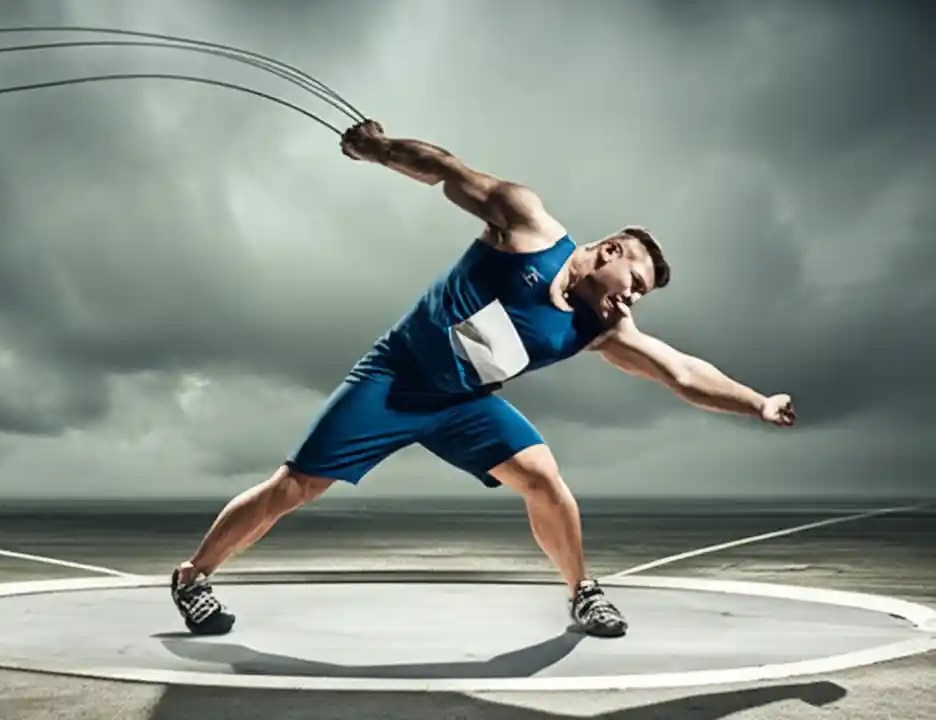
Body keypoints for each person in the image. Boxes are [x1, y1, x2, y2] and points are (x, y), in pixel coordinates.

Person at [170, 119, 797, 639]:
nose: (630, 303)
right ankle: (193, 577)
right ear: (608, 252)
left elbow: (683, 373)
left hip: (464, 403)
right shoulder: (526, 225)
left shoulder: (602, 329)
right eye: (633, 285)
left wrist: (759, 403)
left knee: (544, 478)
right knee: (294, 487)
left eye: (640, 299)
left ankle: (583, 592)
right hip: (394, 380)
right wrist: (381, 151)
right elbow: (446, 169)